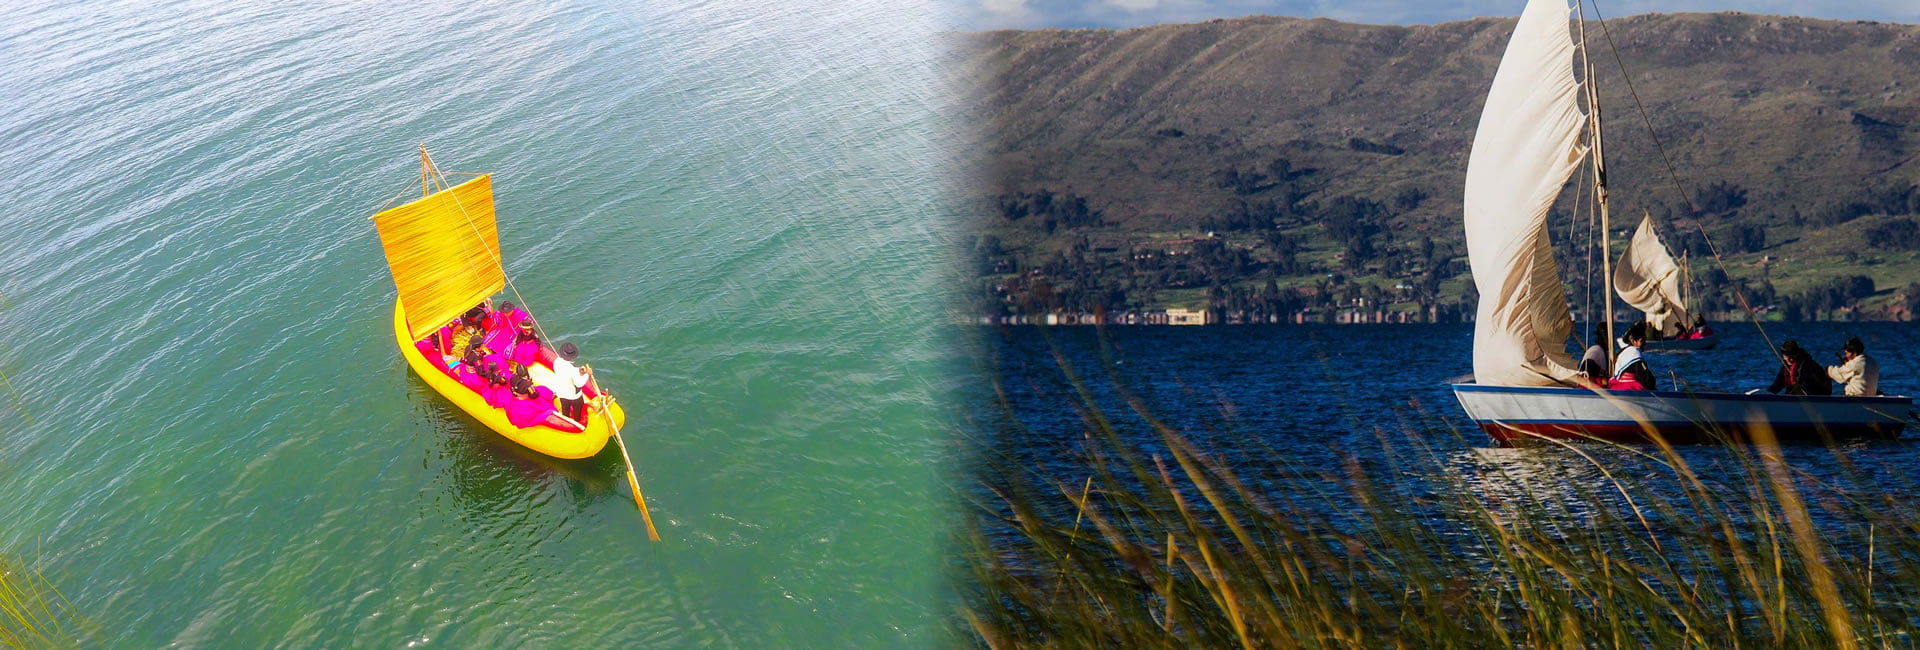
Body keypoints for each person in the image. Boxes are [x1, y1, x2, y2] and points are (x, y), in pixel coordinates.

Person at [547, 342, 595, 423]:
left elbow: (566, 371)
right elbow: (579, 383)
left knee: (565, 409)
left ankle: (566, 420)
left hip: (561, 392)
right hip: (573, 395)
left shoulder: (557, 361)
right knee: (577, 411)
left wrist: (578, 370)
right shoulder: (572, 370)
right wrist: (587, 374)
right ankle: (577, 421)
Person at [1766, 340, 1832, 396]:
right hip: (1799, 396)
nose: (1790, 360)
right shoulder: (1786, 366)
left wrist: (1789, 396)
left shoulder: (1806, 364)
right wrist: (1768, 394)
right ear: (1783, 356)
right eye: (1787, 357)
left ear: (1797, 354)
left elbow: (1802, 383)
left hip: (1818, 396)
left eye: (1792, 357)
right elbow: (1778, 384)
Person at [1607, 322, 1658, 391]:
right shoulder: (1634, 352)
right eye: (1642, 341)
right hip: (1627, 388)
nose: (1645, 344)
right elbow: (1644, 378)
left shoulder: (1623, 352)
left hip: (1615, 385)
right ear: (1634, 341)